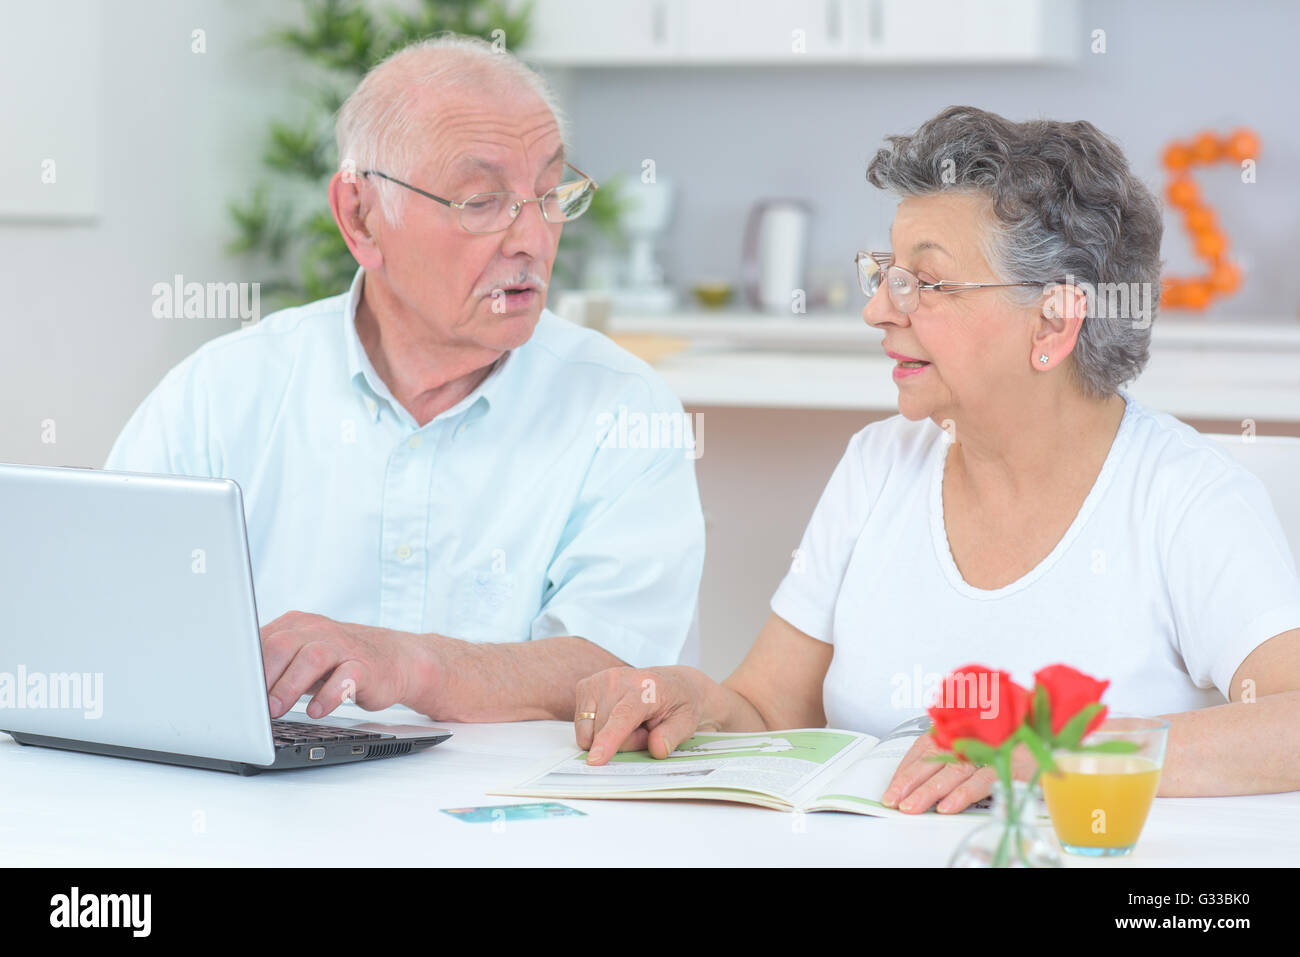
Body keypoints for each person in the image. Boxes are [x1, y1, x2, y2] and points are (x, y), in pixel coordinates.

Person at [574, 106, 1300, 812]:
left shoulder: (1184, 496)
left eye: (927, 283)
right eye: (886, 274)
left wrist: (1052, 754)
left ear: (1053, 318)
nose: (879, 311)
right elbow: (766, 706)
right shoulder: (879, 463)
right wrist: (687, 700)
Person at [105, 35, 704, 724]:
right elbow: (116, 620)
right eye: (482, 201)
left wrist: (408, 663)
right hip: (265, 814)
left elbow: (618, 667)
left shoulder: (624, 407)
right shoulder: (218, 395)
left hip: (514, 819)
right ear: (360, 216)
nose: (532, 239)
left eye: (549, 194)